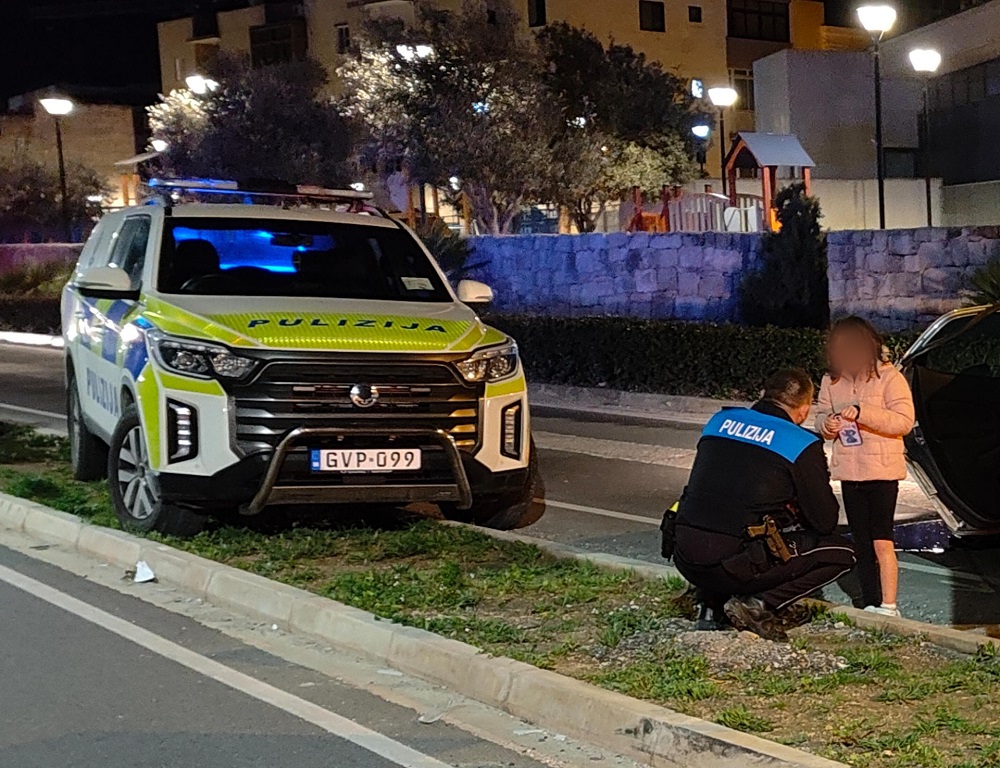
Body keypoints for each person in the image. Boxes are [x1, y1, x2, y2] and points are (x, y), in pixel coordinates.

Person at [666, 368, 856, 641]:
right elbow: (824, 520)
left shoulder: (719, 421)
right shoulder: (801, 442)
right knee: (843, 552)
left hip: (684, 554)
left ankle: (710, 604)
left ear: (763, 394)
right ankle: (760, 605)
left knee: (728, 524)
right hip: (731, 565)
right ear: (804, 410)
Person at [816, 316, 915, 618]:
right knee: (860, 541)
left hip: (882, 472)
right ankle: (870, 603)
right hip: (850, 471)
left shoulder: (889, 377)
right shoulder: (830, 380)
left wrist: (863, 413)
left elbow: (904, 421)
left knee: (882, 540)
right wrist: (828, 424)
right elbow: (820, 415)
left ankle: (889, 605)